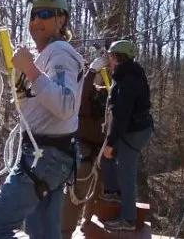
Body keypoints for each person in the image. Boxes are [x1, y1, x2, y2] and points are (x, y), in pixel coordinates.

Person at [0, 0, 85, 239]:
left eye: (45, 14)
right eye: (33, 15)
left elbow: (66, 106)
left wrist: (31, 70)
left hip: (45, 158)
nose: (36, 21)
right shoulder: (38, 57)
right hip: (48, 158)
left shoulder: (60, 53)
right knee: (43, 234)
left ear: (61, 20)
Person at [100, 40, 153, 232]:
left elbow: (121, 116)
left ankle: (128, 220)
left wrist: (111, 142)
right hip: (137, 127)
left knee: (126, 174)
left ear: (118, 57)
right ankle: (113, 192)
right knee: (108, 161)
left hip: (134, 132)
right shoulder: (129, 74)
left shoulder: (127, 81)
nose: (110, 60)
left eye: (111, 56)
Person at [61, 54, 109, 238]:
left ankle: (87, 225)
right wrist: (92, 72)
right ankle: (65, 232)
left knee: (98, 191)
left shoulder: (103, 92)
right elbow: (83, 93)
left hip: (101, 149)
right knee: (76, 192)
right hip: (84, 148)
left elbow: (115, 92)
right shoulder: (77, 92)